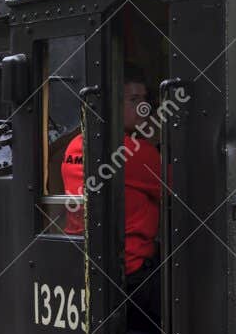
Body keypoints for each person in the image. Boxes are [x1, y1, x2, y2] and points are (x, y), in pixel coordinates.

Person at [59, 69, 163, 313]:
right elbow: (183, 188)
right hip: (133, 273)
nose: (143, 108)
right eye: (133, 100)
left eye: (145, 99)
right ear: (112, 105)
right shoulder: (136, 152)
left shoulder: (76, 144)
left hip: (87, 266)